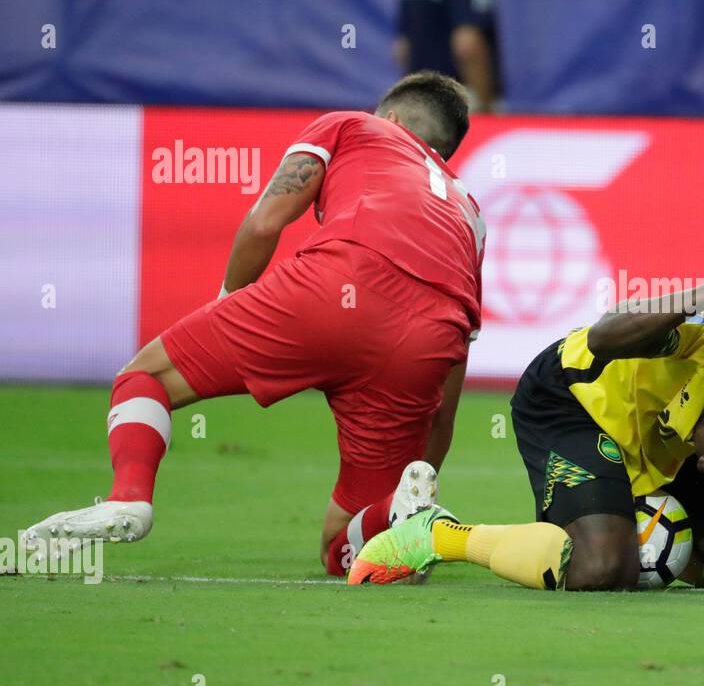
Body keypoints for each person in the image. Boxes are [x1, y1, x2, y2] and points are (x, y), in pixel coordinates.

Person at [22, 71, 487, 579]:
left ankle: (128, 499)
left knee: (144, 378)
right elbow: (452, 371)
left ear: (392, 119)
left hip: (338, 284)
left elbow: (266, 222)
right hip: (427, 340)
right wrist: (423, 465)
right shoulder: (471, 213)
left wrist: (225, 306)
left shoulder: (350, 126)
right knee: (345, 550)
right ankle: (401, 514)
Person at [349, 212, 704, 592]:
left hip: (654, 436)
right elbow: (608, 331)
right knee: (602, 568)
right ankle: (435, 532)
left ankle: (663, 540)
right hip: (577, 404)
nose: (703, 465)